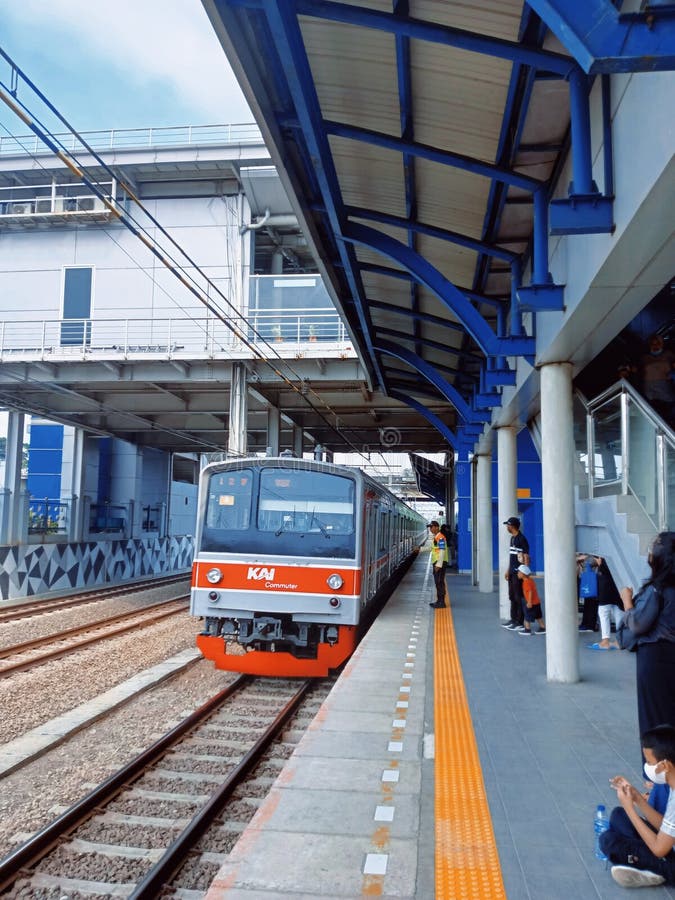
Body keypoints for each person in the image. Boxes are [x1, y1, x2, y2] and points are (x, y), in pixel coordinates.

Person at [600, 724, 675, 888]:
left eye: (649, 762)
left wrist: (630, 808)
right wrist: (637, 799)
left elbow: (658, 849)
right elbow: (666, 826)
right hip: (668, 843)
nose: (647, 767)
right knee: (619, 815)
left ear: (666, 766)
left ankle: (656, 871)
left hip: (668, 855)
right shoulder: (672, 784)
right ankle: (639, 861)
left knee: (609, 840)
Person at [619, 532, 675, 739]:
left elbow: (637, 624)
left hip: (655, 658)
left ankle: (657, 769)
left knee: (654, 719)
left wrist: (627, 602)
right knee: (669, 715)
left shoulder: (657, 589)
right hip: (669, 655)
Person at [588, 556, 624, 651]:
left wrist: (597, 562)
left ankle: (605, 641)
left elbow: (596, 563)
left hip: (605, 587)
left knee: (604, 612)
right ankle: (619, 641)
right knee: (619, 611)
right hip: (618, 585)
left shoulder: (603, 554)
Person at [640, 334, 675, 426]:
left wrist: (672, 374)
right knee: (653, 411)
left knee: (668, 411)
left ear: (662, 344)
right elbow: (640, 371)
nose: (655, 346)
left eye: (658, 343)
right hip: (649, 387)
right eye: (653, 344)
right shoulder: (645, 357)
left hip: (664, 386)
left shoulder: (669, 354)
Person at [501, 516, 529, 630]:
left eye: (508, 525)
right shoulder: (512, 538)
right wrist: (508, 570)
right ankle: (513, 619)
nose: (507, 527)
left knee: (519, 597)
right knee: (512, 596)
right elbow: (512, 557)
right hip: (512, 572)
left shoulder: (521, 539)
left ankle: (520, 621)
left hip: (519, 573)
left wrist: (524, 572)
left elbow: (526, 556)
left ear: (512, 526)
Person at [515, 564, 546, 636]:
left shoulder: (526, 582)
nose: (517, 574)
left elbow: (530, 592)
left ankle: (527, 629)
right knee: (538, 616)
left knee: (527, 616)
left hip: (531, 603)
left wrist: (529, 602)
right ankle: (542, 628)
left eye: (518, 572)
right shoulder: (530, 580)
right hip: (537, 602)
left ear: (523, 574)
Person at [428, 521, 448, 609]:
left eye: (431, 527)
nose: (430, 529)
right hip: (437, 562)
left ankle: (441, 602)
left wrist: (438, 565)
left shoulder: (440, 537)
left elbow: (442, 551)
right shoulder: (436, 537)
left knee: (439, 582)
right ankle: (439, 601)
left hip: (440, 563)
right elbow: (433, 548)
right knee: (438, 582)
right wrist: (420, 549)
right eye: (430, 527)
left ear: (436, 527)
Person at [577, 554, 599, 633]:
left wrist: (585, 558)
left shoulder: (594, 552)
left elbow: (597, 561)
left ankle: (590, 625)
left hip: (592, 579)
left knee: (592, 602)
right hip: (589, 578)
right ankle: (585, 624)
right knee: (588, 601)